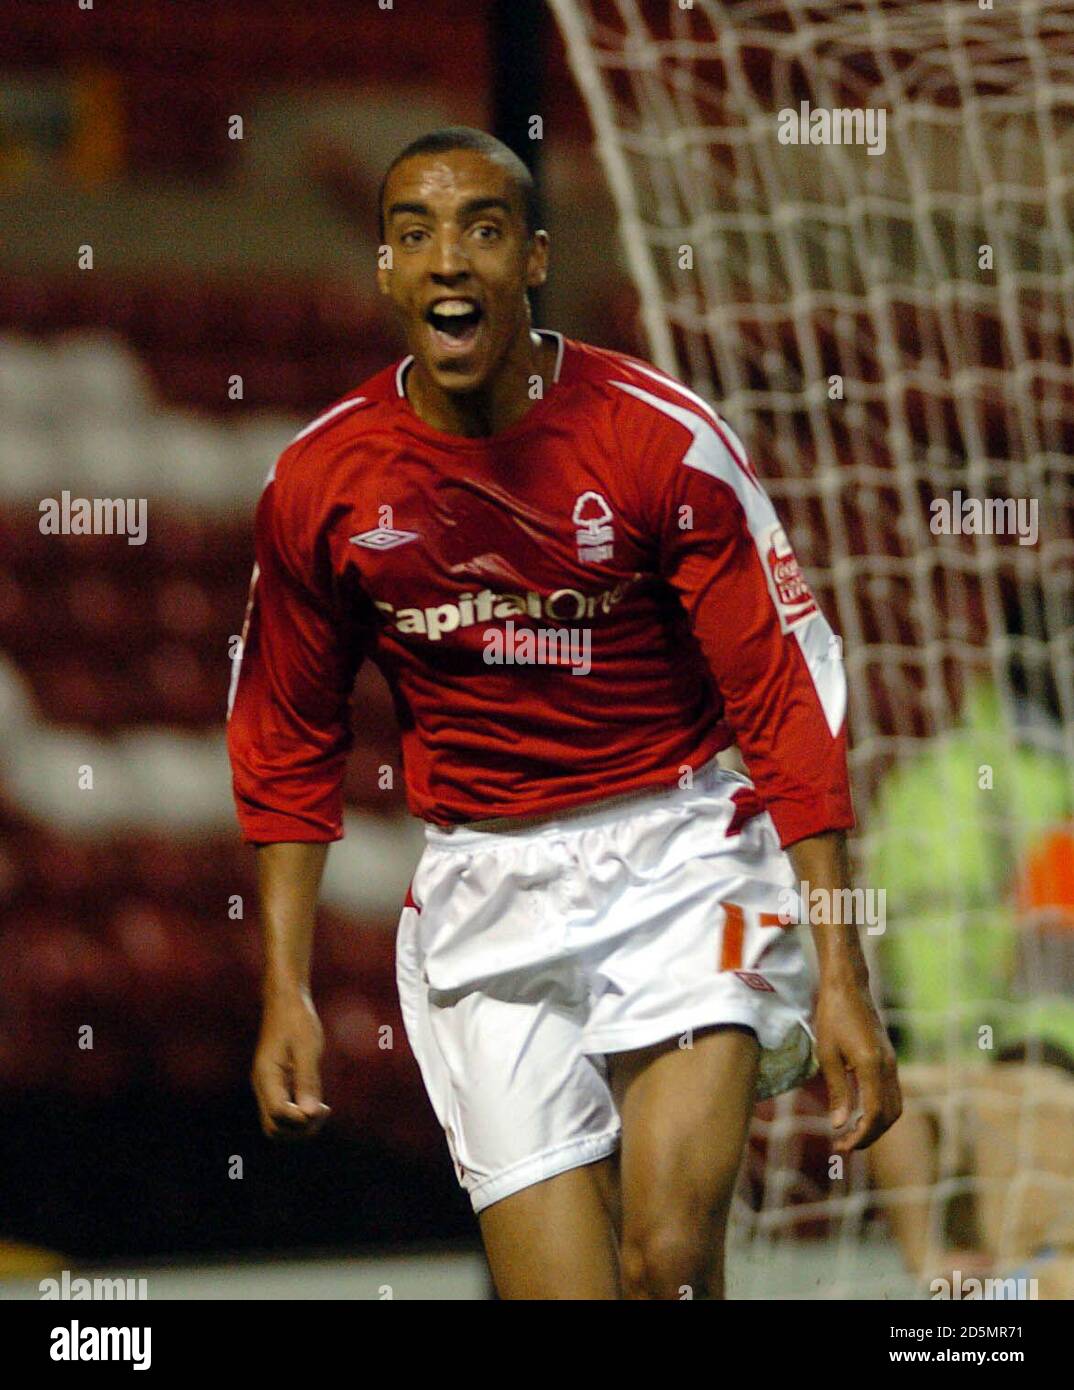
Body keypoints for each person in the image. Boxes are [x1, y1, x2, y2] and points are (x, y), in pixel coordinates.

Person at [226, 126, 901, 1300]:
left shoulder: (660, 441)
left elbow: (785, 705)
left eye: (483, 230)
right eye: (416, 233)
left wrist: (842, 973)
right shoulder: (320, 483)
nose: (450, 262)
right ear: (383, 269)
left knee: (669, 1264)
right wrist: (283, 989)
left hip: (685, 859)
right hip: (486, 892)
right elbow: (288, 740)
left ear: (533, 260)